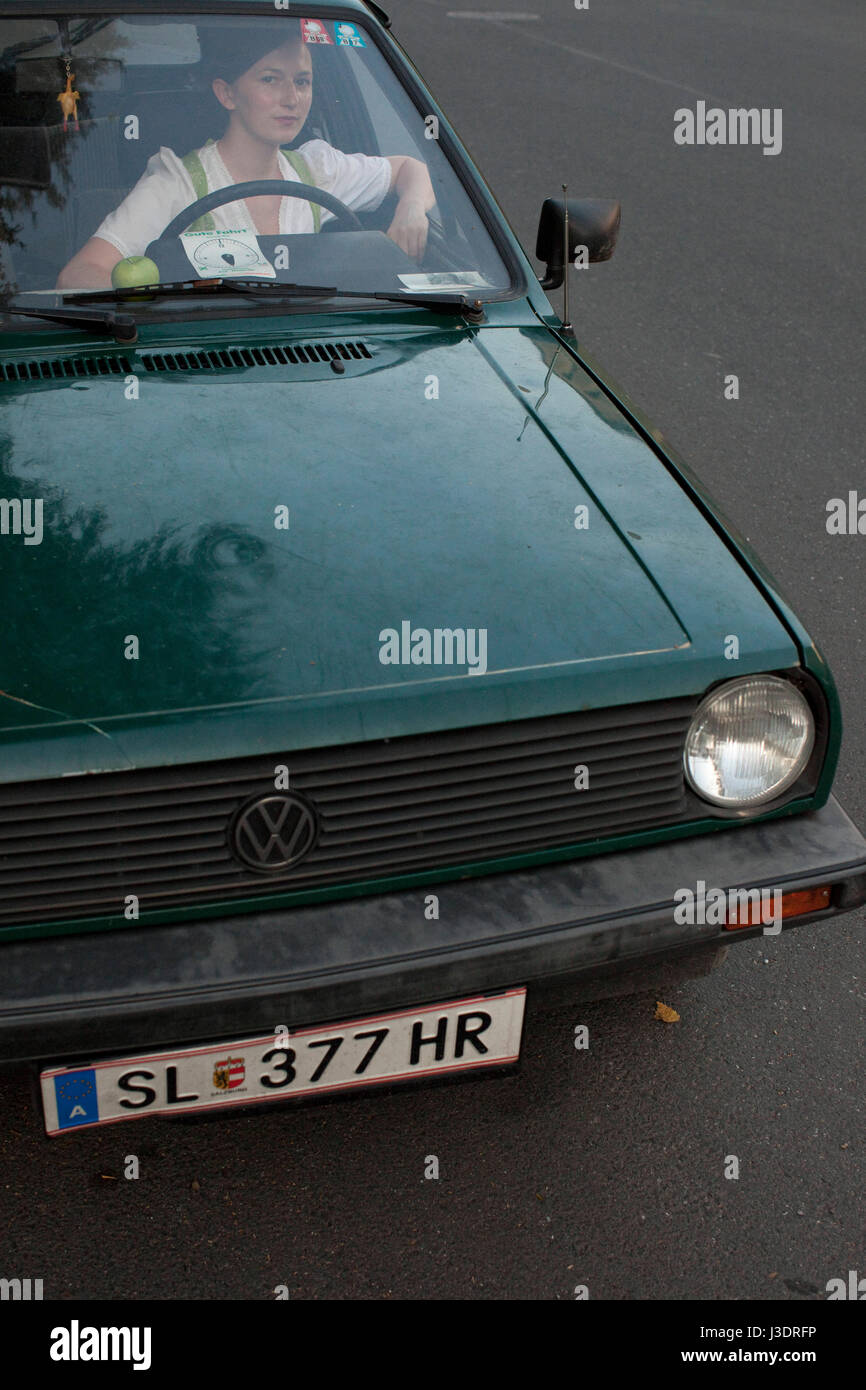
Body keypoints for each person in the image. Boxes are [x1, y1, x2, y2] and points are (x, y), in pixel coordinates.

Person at [57, 24, 435, 289]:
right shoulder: (178, 182)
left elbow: (410, 168)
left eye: (302, 81)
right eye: (270, 79)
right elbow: (80, 274)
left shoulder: (318, 169)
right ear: (227, 95)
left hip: (305, 351)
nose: (291, 98)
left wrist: (412, 209)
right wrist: (161, 299)